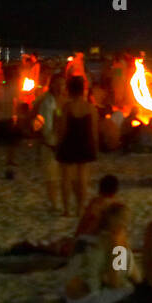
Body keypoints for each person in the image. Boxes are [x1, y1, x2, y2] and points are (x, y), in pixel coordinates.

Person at [63, 203, 141, 303]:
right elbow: (114, 283)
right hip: (89, 301)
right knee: (130, 289)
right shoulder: (115, 244)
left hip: (69, 297)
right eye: (125, 222)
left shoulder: (84, 237)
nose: (126, 226)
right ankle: (141, 285)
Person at [55, 76, 98, 217]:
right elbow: (94, 130)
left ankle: (67, 210)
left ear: (70, 90)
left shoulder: (67, 107)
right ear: (83, 90)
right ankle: (80, 209)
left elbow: (62, 128)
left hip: (69, 142)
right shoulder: (91, 108)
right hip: (85, 143)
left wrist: (58, 143)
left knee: (66, 178)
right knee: (83, 178)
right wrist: (95, 147)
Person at [35, 73, 65, 213]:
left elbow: (59, 117)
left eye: (63, 84)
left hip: (59, 144)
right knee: (52, 178)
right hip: (49, 145)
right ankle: (54, 204)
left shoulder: (59, 101)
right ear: (51, 84)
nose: (60, 87)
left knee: (60, 177)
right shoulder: (46, 102)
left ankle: (57, 203)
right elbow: (42, 125)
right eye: (57, 83)